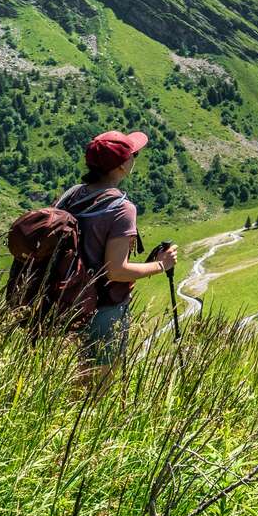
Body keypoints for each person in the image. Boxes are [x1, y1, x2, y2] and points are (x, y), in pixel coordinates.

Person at [56, 130, 176, 366]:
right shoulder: (121, 208)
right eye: (134, 154)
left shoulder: (71, 194)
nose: (135, 158)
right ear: (122, 166)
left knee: (70, 377)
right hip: (103, 307)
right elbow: (116, 271)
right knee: (100, 381)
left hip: (65, 299)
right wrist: (162, 264)